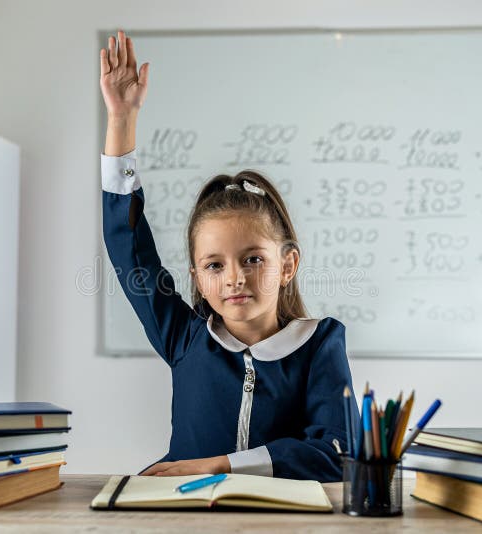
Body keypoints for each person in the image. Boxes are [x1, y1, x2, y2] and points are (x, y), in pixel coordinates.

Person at [99, 30, 358, 482]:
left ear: (288, 265)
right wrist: (122, 120)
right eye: (215, 265)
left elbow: (336, 456)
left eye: (253, 259)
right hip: (188, 516)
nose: (234, 277)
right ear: (198, 278)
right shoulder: (184, 338)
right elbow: (129, 249)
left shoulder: (320, 345)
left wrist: (223, 465)